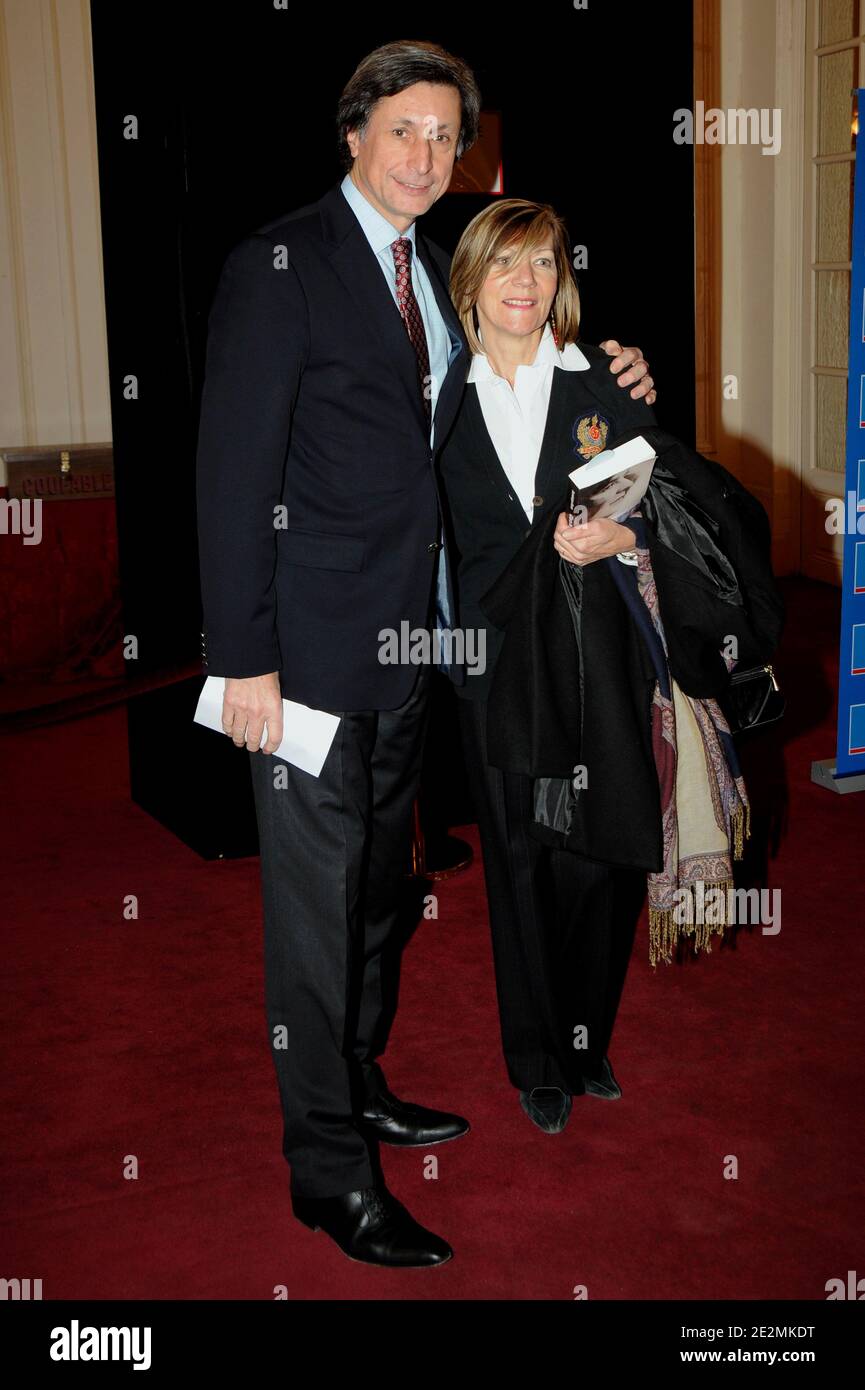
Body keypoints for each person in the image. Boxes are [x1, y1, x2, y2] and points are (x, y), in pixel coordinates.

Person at [195, 42, 654, 1267]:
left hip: (415, 654)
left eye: (446, 137)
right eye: (403, 130)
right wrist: (243, 662)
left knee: (378, 903)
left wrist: (615, 372)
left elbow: (519, 386)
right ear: (352, 135)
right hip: (301, 667)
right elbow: (232, 478)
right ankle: (327, 1173)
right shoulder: (278, 263)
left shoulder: (440, 276)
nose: (426, 157)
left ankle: (359, 1083)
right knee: (311, 924)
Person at [438, 198, 782, 1135]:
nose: (525, 282)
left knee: (599, 854)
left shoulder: (604, 383)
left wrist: (621, 533)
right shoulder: (436, 396)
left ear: (562, 282)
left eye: (544, 264)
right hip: (495, 662)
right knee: (517, 862)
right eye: (507, 264)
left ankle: (586, 1042)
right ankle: (537, 1059)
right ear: (468, 280)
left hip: (603, 655)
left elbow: (688, 507)